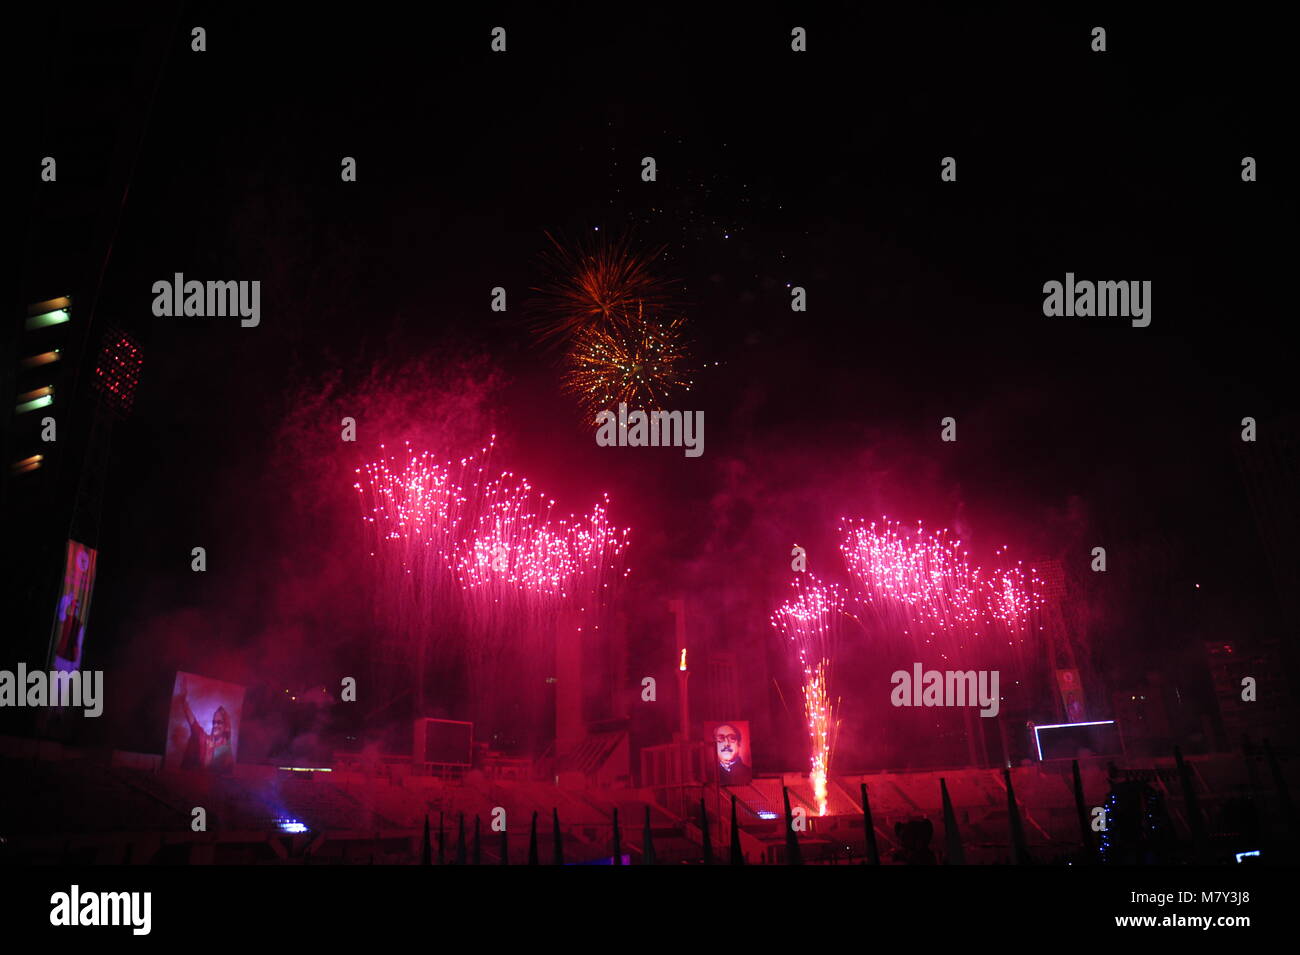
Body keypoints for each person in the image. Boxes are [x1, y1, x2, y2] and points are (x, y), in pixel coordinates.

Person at [178, 677, 235, 773]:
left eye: (219, 722)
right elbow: (193, 722)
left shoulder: (226, 744)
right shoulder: (203, 738)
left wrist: (223, 712)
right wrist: (184, 700)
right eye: (214, 722)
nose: (215, 725)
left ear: (225, 726)